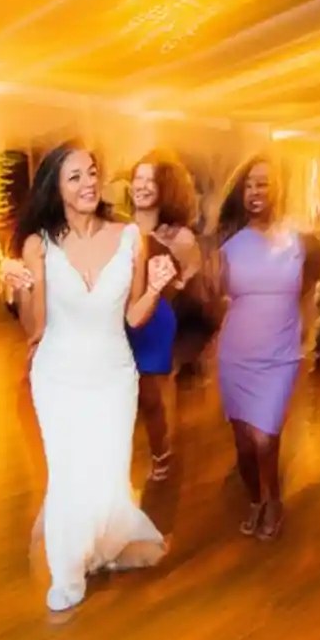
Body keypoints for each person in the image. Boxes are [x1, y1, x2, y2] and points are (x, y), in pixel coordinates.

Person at [2, 142, 173, 612]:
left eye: (92, 172)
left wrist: (156, 286)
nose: (88, 183)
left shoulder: (129, 237)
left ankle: (99, 545)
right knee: (69, 471)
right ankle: (67, 570)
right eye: (74, 176)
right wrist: (22, 291)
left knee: (108, 471)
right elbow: (35, 328)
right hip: (57, 375)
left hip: (115, 375)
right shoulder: (39, 244)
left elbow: (135, 317)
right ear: (55, 187)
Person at [213, 156, 320, 539]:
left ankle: (273, 498)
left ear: (281, 188)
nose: (255, 192)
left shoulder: (302, 242)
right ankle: (256, 499)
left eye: (263, 183)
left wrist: (309, 339)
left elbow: (308, 292)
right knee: (244, 445)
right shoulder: (229, 246)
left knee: (265, 438)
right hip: (236, 355)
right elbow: (217, 300)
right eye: (249, 185)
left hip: (280, 356)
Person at [126, 150, 201, 481]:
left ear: (164, 188)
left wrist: (173, 282)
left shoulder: (178, 236)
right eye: (137, 178)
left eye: (149, 180)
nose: (140, 186)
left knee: (149, 392)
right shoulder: (119, 227)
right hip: (123, 315)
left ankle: (161, 450)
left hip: (156, 318)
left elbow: (193, 274)